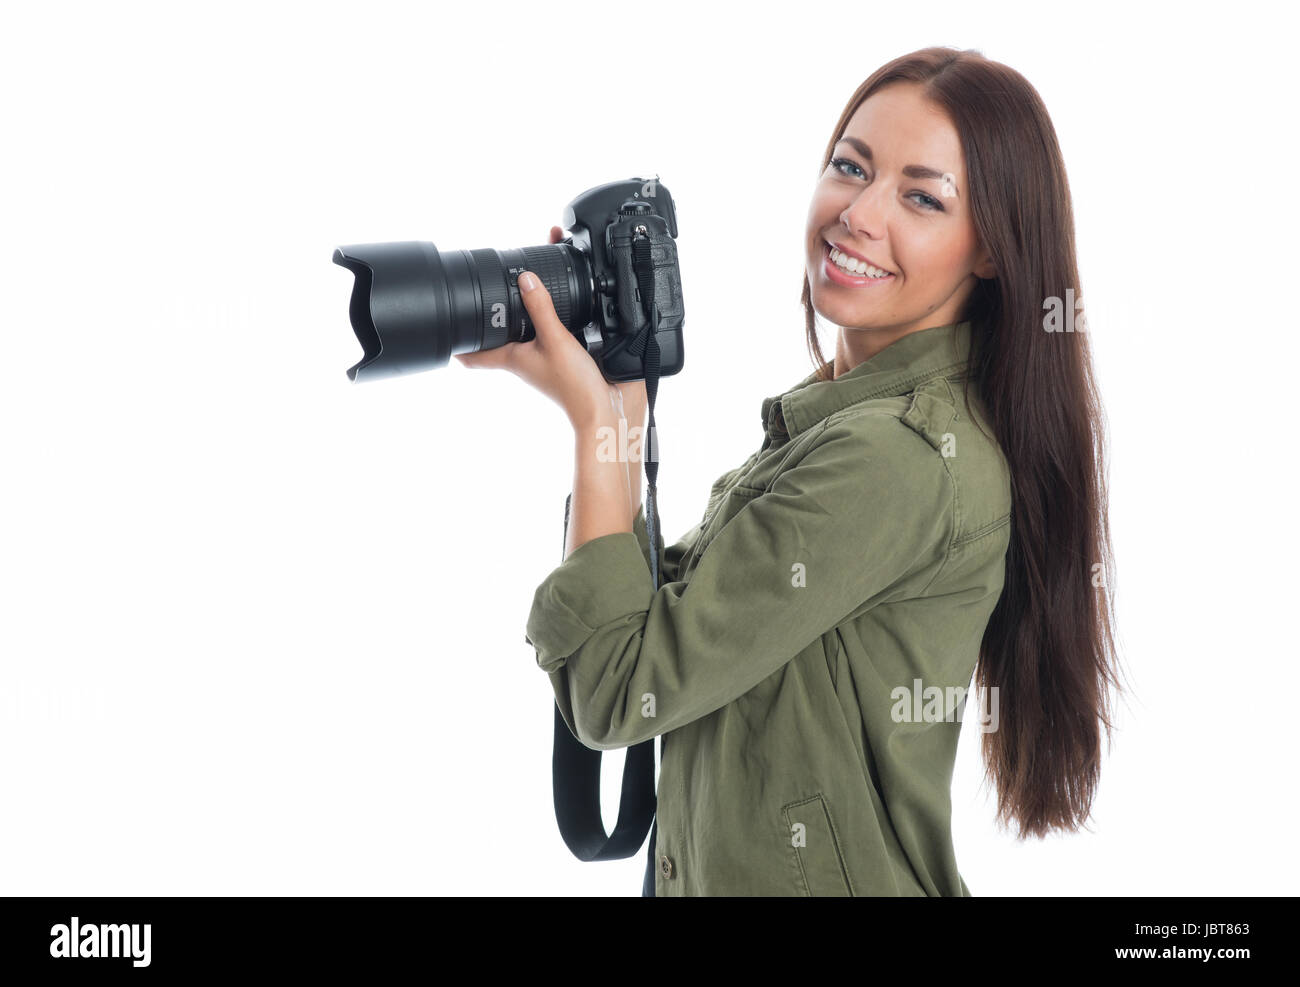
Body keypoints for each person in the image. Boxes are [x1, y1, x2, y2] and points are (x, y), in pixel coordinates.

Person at [456, 45, 1122, 896]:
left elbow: (623, 688)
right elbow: (668, 622)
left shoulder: (895, 457)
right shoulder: (845, 418)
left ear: (990, 248)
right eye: (851, 167)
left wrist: (595, 426)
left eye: (922, 196)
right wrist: (621, 407)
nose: (859, 214)